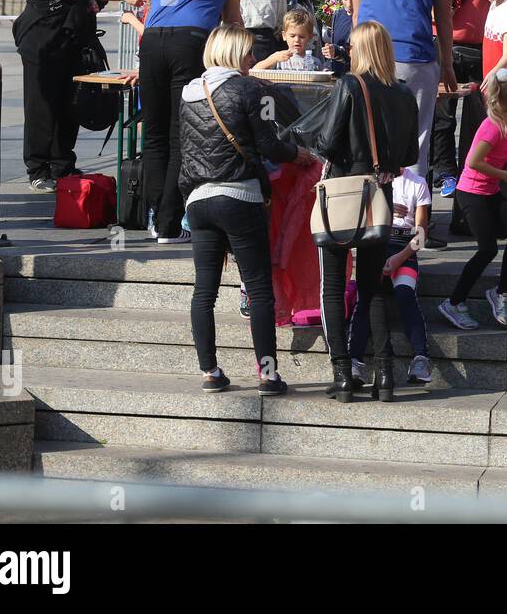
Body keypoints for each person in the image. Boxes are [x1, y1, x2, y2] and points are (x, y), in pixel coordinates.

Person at [179, 24, 314, 395]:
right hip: (239, 196)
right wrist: (299, 155)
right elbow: (269, 145)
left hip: (199, 200)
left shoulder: (190, 91)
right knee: (258, 289)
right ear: (234, 54)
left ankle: (209, 371)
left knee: (203, 292)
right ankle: (268, 375)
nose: (253, 60)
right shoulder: (247, 88)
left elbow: (185, 151)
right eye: (248, 53)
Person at [310, 20, 420, 402]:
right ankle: (385, 376)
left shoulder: (349, 85)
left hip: (343, 194)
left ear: (361, 50)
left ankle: (343, 374)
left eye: (353, 48)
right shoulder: (405, 94)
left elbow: (326, 141)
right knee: (373, 287)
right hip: (380, 196)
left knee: (334, 285)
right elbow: (411, 155)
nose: (349, 53)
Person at [13, 0, 142, 192]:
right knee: (42, 104)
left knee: (70, 103)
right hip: (43, 40)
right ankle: (38, 168)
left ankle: (62, 164)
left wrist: (95, 3)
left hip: (72, 38)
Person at [136, 0, 244, 242]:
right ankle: (169, 223)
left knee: (153, 132)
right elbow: (233, 21)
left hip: (153, 43)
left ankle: (155, 215)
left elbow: (151, 2)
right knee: (179, 133)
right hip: (192, 42)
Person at [347, 0, 458, 180]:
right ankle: (410, 214)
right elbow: (444, 16)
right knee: (417, 137)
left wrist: (354, 56)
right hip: (415, 56)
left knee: (371, 134)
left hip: (370, 58)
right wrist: (447, 63)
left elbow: (357, 12)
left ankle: (373, 206)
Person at [436, 68, 507, 330]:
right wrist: (504, 174)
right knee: (487, 249)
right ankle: (454, 303)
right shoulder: (493, 126)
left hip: (490, 190)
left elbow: (497, 155)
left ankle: (502, 292)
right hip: (472, 194)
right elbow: (473, 161)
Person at [431, 0, 491, 202]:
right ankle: (444, 172)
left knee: (478, 117)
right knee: (442, 116)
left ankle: (472, 169)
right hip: (443, 45)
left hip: (481, 49)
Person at [384, 165, 434, 386]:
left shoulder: (418, 182)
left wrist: (399, 258)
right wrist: (386, 209)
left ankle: (421, 357)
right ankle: (354, 360)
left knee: (404, 292)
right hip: (377, 245)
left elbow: (421, 235)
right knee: (367, 299)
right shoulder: (371, 179)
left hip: (405, 248)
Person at [254, 8, 328, 72]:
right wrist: (273, 59)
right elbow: (254, 71)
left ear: (310, 37)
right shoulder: (279, 58)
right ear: (284, 36)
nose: (296, 40)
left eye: (302, 37)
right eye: (292, 36)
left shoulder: (315, 62)